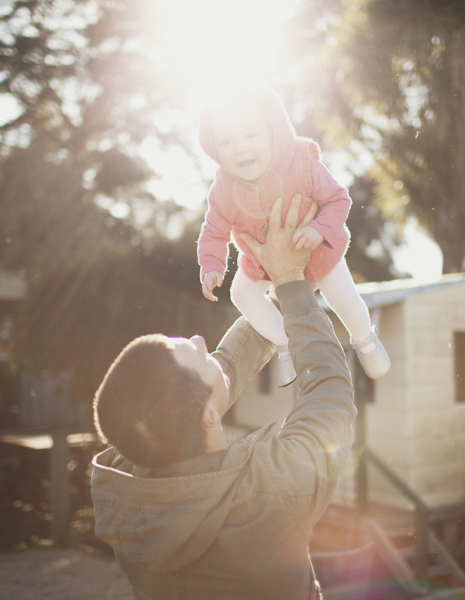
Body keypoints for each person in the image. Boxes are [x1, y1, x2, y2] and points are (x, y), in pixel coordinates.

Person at [91, 195, 356, 600]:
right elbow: (329, 393)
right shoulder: (272, 489)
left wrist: (283, 290)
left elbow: (223, 370)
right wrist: (291, 282)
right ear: (209, 417)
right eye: (197, 354)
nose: (201, 340)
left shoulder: (127, 484)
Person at [196, 84, 390, 387]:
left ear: (273, 134)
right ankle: (286, 345)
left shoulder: (301, 163)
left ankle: (365, 340)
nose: (240, 148)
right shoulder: (223, 190)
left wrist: (318, 229)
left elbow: (338, 199)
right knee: (241, 293)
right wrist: (211, 265)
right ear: (214, 150)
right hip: (264, 262)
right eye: (226, 142)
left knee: (344, 297)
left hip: (319, 250)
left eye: (251, 136)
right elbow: (213, 230)